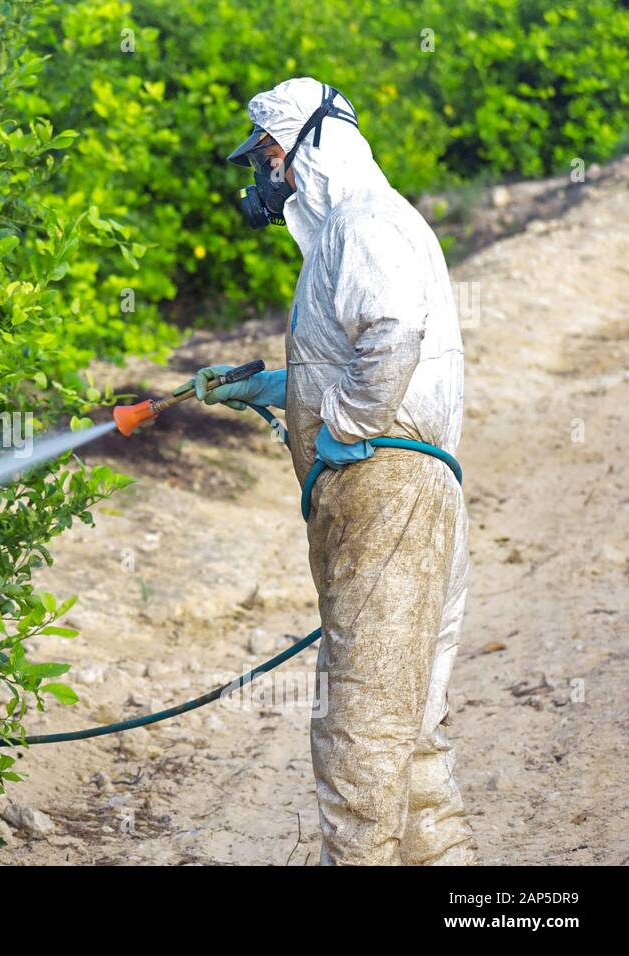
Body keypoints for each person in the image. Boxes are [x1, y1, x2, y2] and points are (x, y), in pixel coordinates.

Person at [192, 77, 477, 865]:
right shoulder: (373, 225)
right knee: (408, 727)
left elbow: (392, 334)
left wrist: (344, 430)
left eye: (273, 154)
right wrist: (279, 388)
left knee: (360, 728)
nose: (268, 174)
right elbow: (369, 349)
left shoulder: (361, 223)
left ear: (311, 144)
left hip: (386, 488)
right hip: (408, 487)